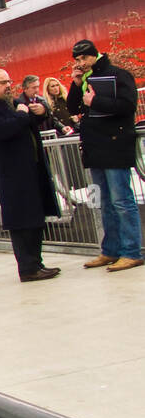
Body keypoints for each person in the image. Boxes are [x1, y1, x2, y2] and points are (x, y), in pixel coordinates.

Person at [0, 69, 61, 282]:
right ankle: (27, 267)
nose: (8, 86)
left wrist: (41, 111)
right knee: (21, 222)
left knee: (35, 219)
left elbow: (34, 121)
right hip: (11, 175)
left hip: (30, 170)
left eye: (8, 81)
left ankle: (36, 262)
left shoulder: (13, 104)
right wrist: (23, 114)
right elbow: (6, 130)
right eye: (2, 82)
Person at [67, 39, 142, 272]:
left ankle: (131, 251)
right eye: (76, 60)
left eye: (83, 59)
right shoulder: (85, 79)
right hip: (95, 147)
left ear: (93, 56)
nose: (80, 64)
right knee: (105, 202)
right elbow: (73, 108)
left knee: (122, 201)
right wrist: (75, 84)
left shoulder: (119, 75)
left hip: (115, 145)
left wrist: (95, 101)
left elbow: (128, 106)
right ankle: (110, 250)